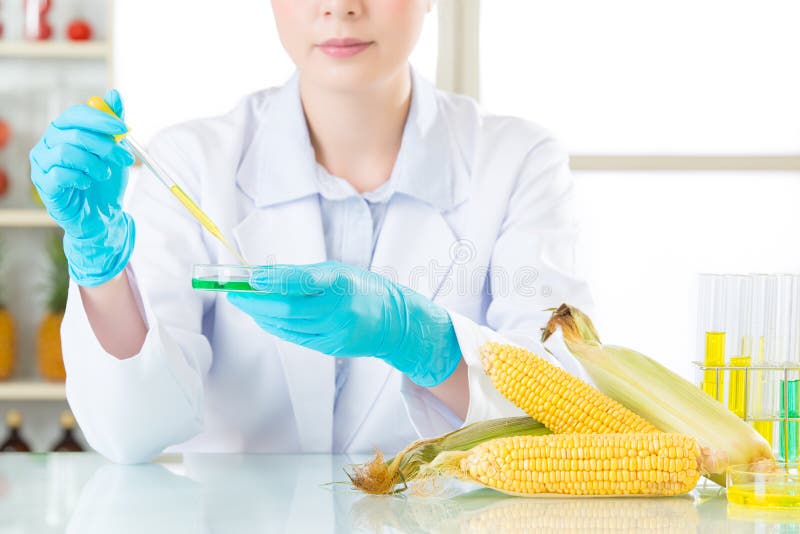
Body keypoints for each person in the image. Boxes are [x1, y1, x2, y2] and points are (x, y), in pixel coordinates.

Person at [29, 0, 593, 463]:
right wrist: (98, 262)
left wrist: (422, 341)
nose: (341, 9)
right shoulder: (192, 164)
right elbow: (132, 433)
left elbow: (568, 416)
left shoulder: (519, 162)